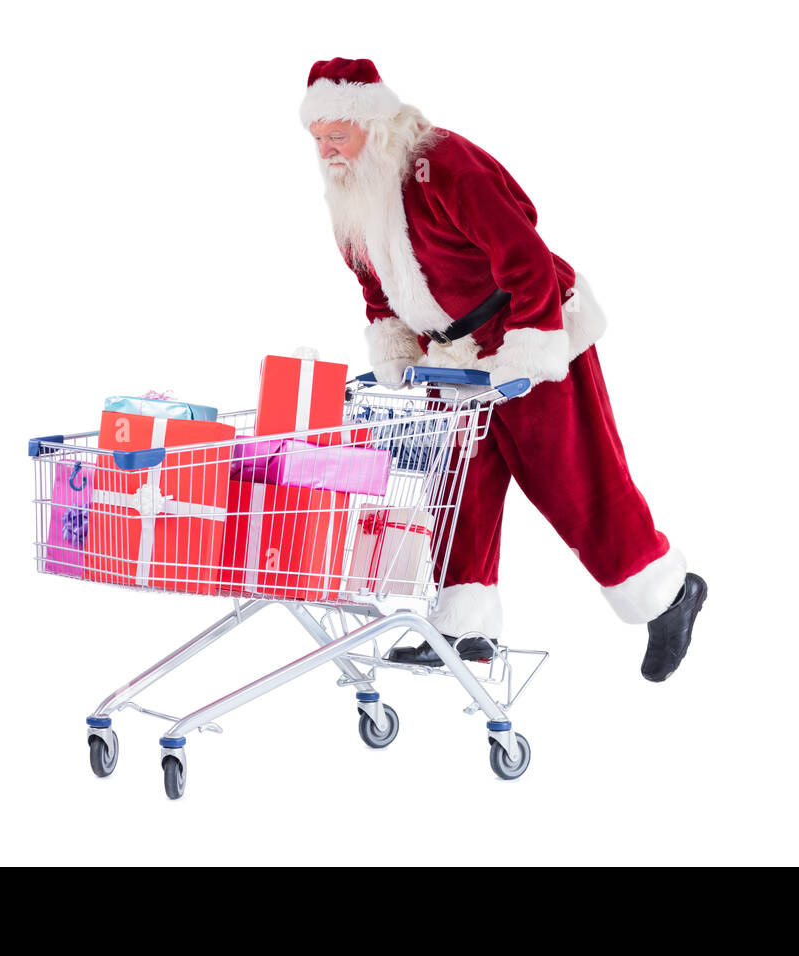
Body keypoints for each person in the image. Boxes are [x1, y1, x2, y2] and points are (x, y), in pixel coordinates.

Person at [302, 58, 707, 681]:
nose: (329, 150)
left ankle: (666, 594)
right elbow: (376, 287)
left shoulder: (444, 166)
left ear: (374, 124)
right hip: (452, 357)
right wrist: (397, 352)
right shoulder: (352, 195)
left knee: (571, 479)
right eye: (319, 137)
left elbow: (525, 253)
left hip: (524, 325)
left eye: (339, 135)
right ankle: (465, 629)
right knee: (458, 489)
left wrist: (532, 346)